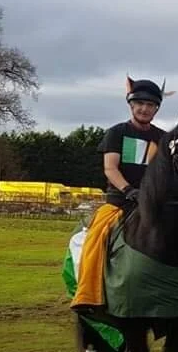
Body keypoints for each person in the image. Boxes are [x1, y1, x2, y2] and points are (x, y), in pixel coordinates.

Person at [71, 77, 171, 308]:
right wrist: (129, 190)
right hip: (120, 201)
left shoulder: (163, 138)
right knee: (95, 239)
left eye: (151, 105)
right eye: (140, 104)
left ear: (156, 108)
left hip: (155, 203)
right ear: (131, 105)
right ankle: (87, 296)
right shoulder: (116, 133)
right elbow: (110, 168)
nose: (145, 109)